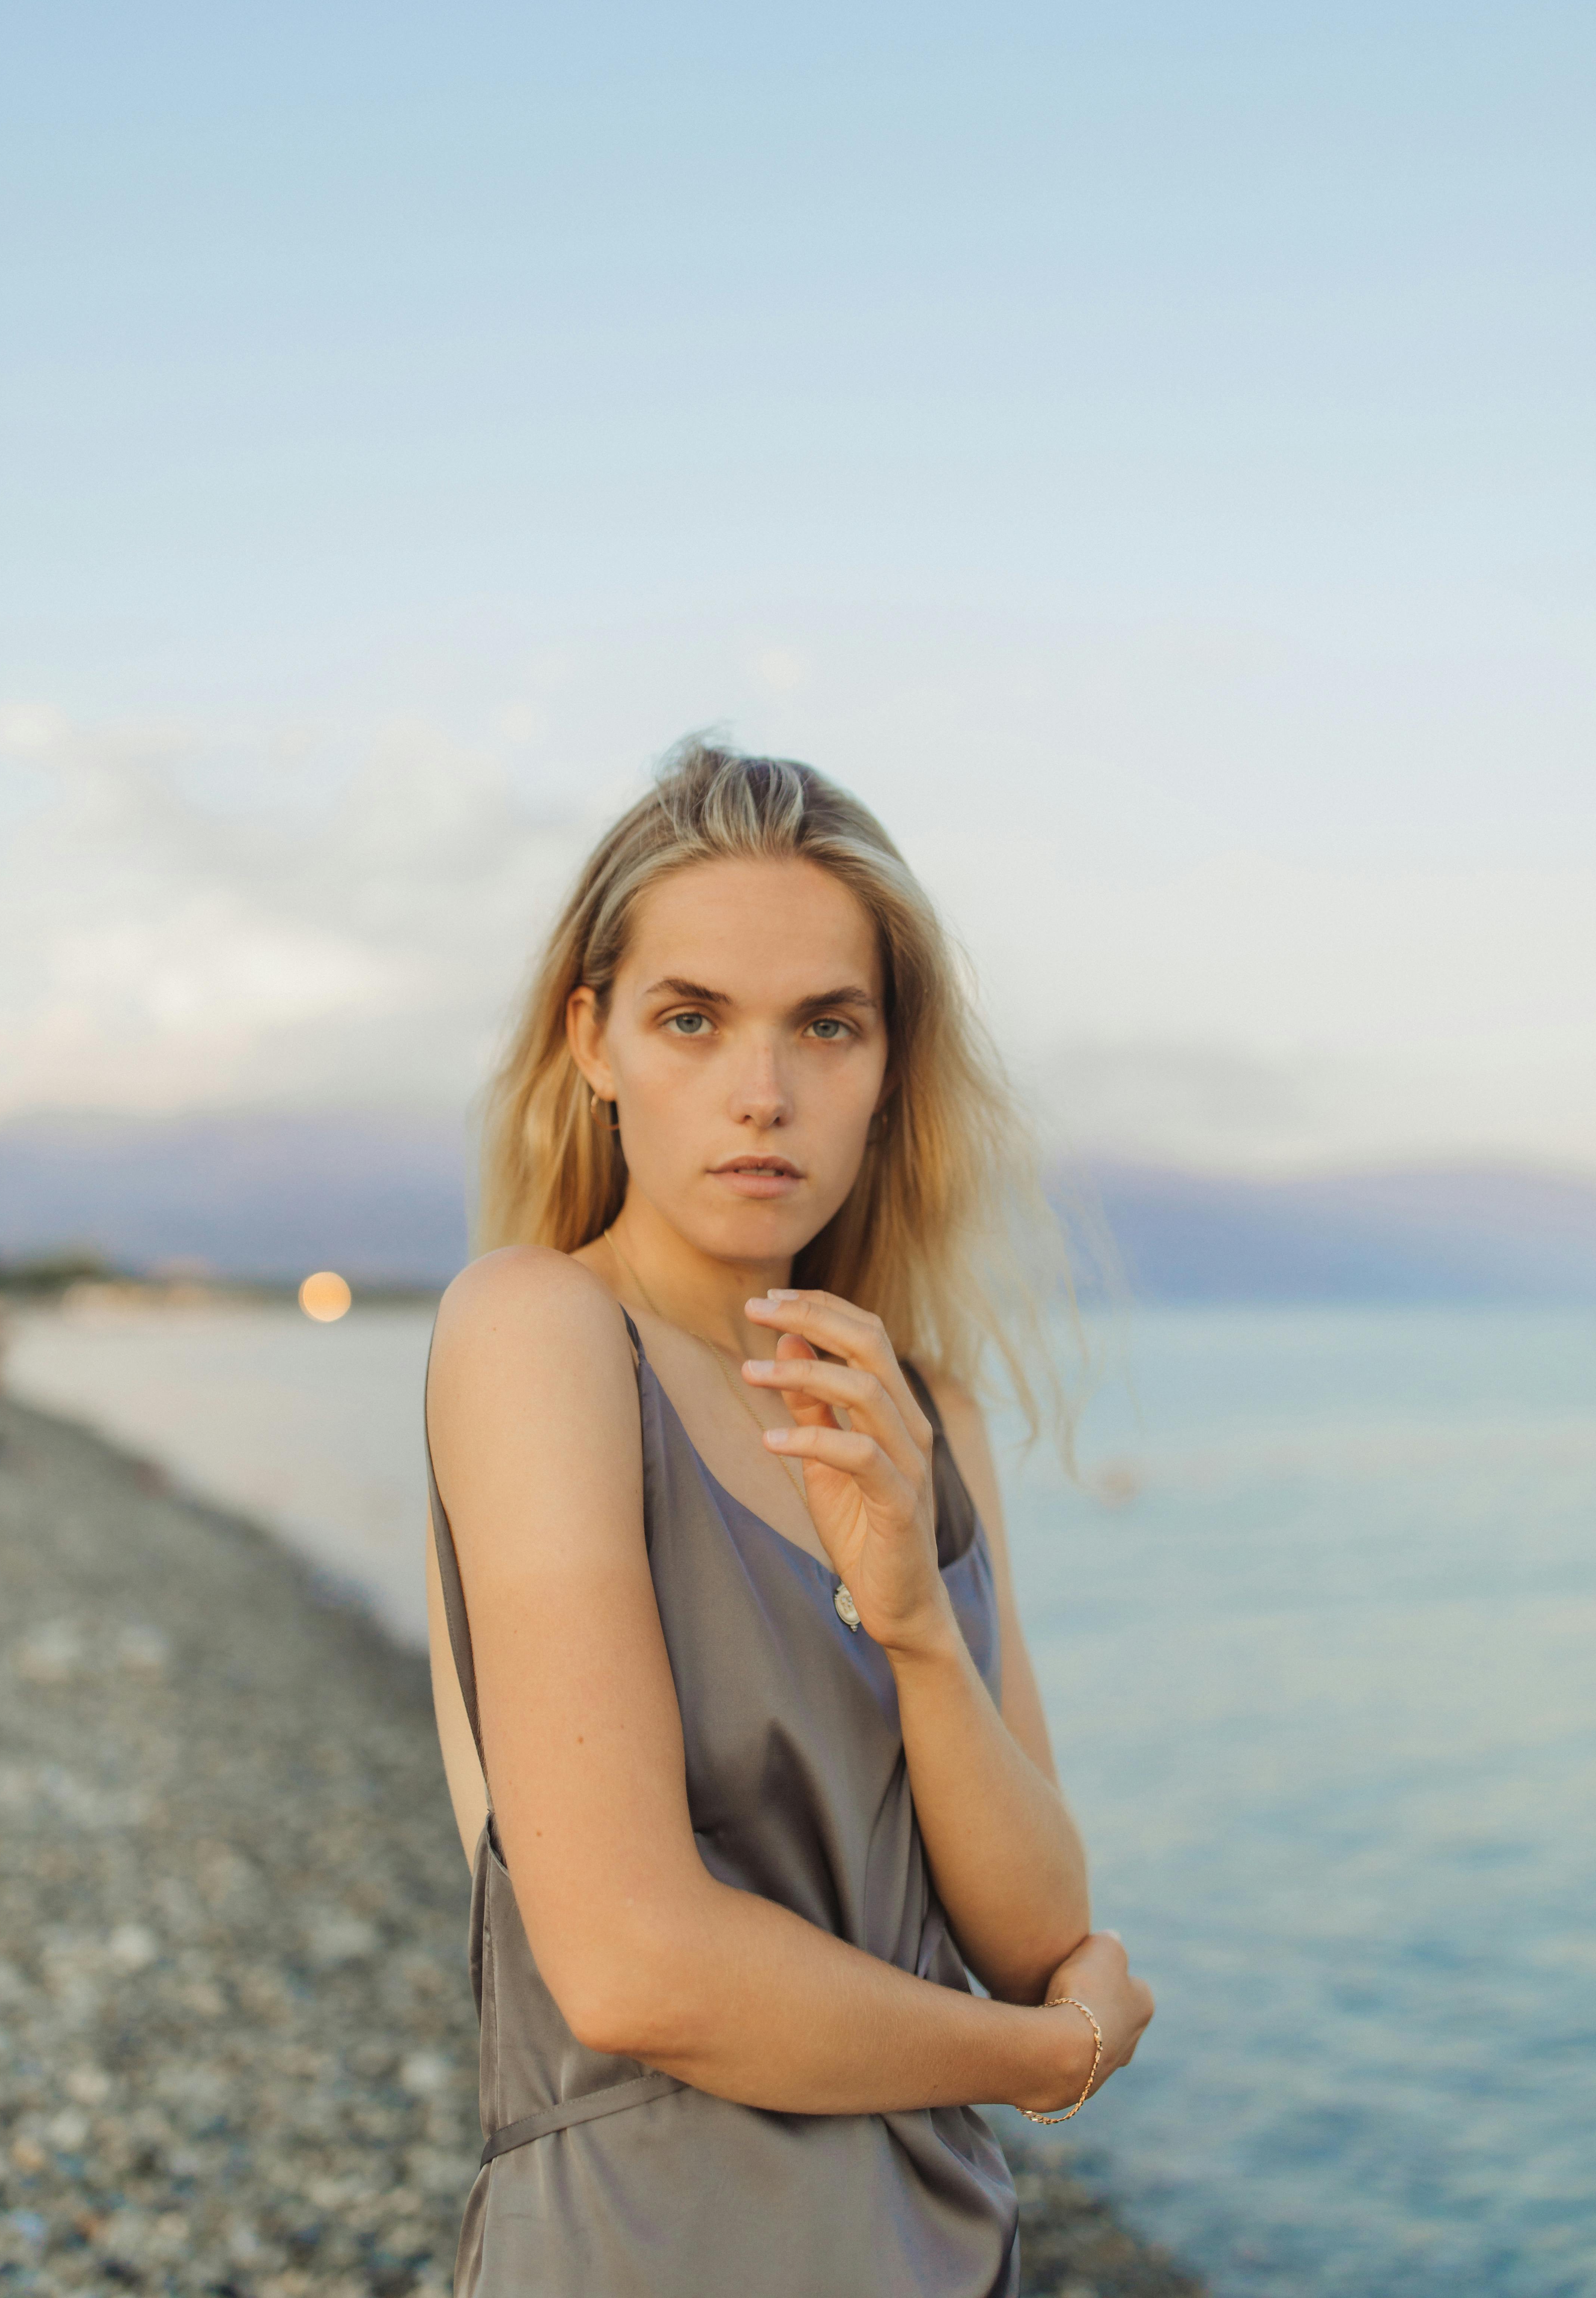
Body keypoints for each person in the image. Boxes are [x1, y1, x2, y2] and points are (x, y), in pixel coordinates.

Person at [423, 738, 1154, 2298]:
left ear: (891, 1066)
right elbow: (631, 1967)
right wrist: (1035, 2055)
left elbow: (1037, 1922)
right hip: (651, 2249)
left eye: (827, 1025)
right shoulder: (539, 1334)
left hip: (942, 2250)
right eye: (692, 1020)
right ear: (593, 1042)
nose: (762, 1095)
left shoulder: (921, 1415)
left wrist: (908, 1626)